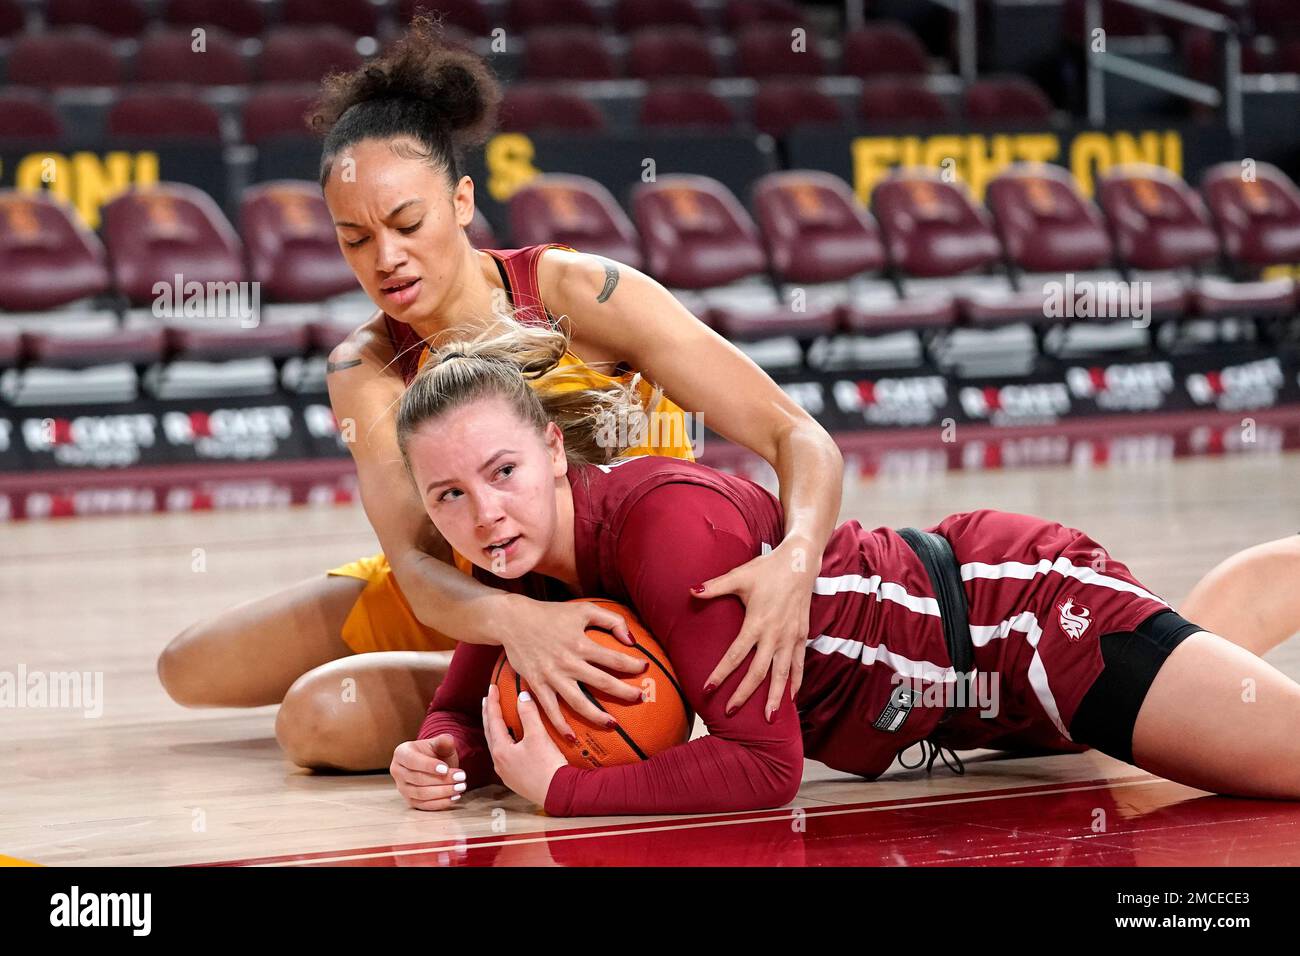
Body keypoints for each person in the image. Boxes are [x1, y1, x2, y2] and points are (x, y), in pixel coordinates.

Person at [156, 16, 845, 770]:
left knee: (318, 721)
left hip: (629, 584)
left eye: (407, 222)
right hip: (473, 591)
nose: (386, 257)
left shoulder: (583, 291)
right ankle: (504, 687)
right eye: (354, 238)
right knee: (185, 671)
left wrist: (799, 556)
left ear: (459, 201)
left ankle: (529, 713)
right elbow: (418, 571)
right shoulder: (365, 366)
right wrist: (516, 625)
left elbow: (798, 436)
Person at [388, 322, 1300, 816]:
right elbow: (459, 709)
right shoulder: (513, 567)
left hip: (1019, 627)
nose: (485, 513)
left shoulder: (665, 529)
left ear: (553, 449)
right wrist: (441, 754)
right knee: (1200, 674)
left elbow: (764, 767)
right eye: (449, 496)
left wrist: (566, 792)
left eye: (501, 472)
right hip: (974, 708)